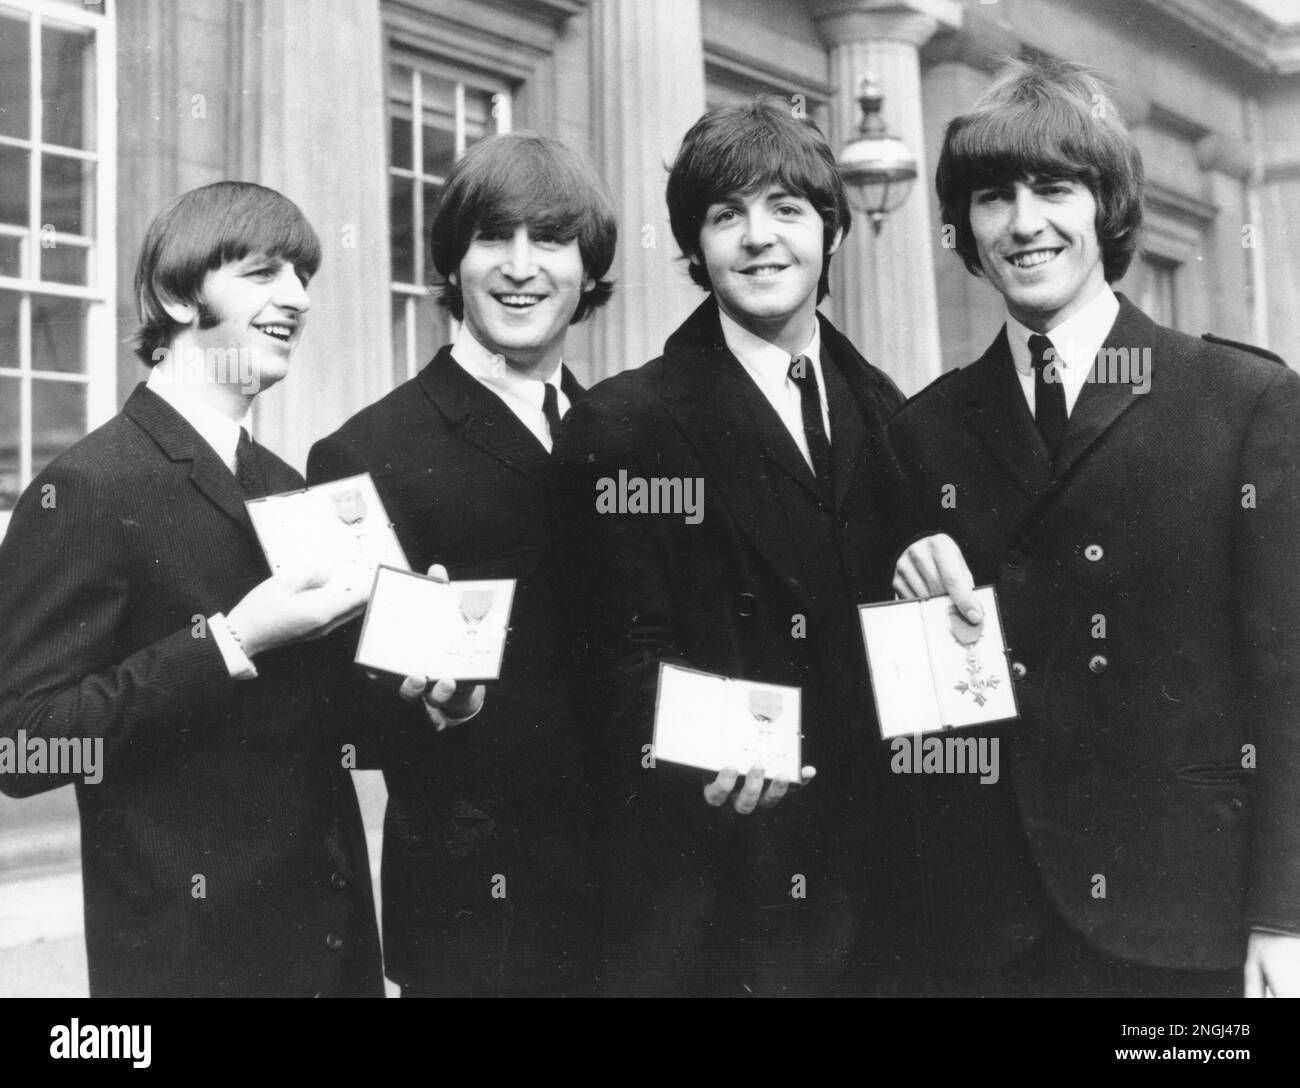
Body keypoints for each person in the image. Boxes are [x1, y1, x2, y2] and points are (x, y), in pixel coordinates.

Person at [888, 58, 1300, 998]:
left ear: (1108, 207)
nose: (1024, 224)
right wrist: (924, 632)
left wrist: (1287, 916)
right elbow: (926, 729)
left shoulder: (1244, 403)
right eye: (993, 197)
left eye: (1054, 189)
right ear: (966, 228)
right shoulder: (921, 434)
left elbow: (1292, 684)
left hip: (1190, 928)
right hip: (992, 938)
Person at [554, 98, 907, 996]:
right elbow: (617, 652)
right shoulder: (625, 423)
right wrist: (705, 747)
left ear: (830, 230)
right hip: (711, 886)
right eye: (726, 215)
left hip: (879, 885)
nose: (758, 238)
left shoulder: (892, 410)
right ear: (697, 248)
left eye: (786, 209)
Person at [0, 181, 384, 997]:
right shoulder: (88, 487)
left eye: (304, 276)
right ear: (178, 294)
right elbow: (23, 744)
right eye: (263, 272)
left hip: (330, 950)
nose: (297, 298)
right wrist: (231, 642)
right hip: (187, 966)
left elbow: (324, 725)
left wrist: (429, 673)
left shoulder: (287, 484)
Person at [308, 133, 616, 997]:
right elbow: (342, 701)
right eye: (493, 238)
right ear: (453, 263)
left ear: (588, 270)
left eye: (550, 240)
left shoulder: (628, 432)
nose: (521, 267)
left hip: (632, 897)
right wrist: (430, 703)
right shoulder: (366, 453)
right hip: (480, 921)